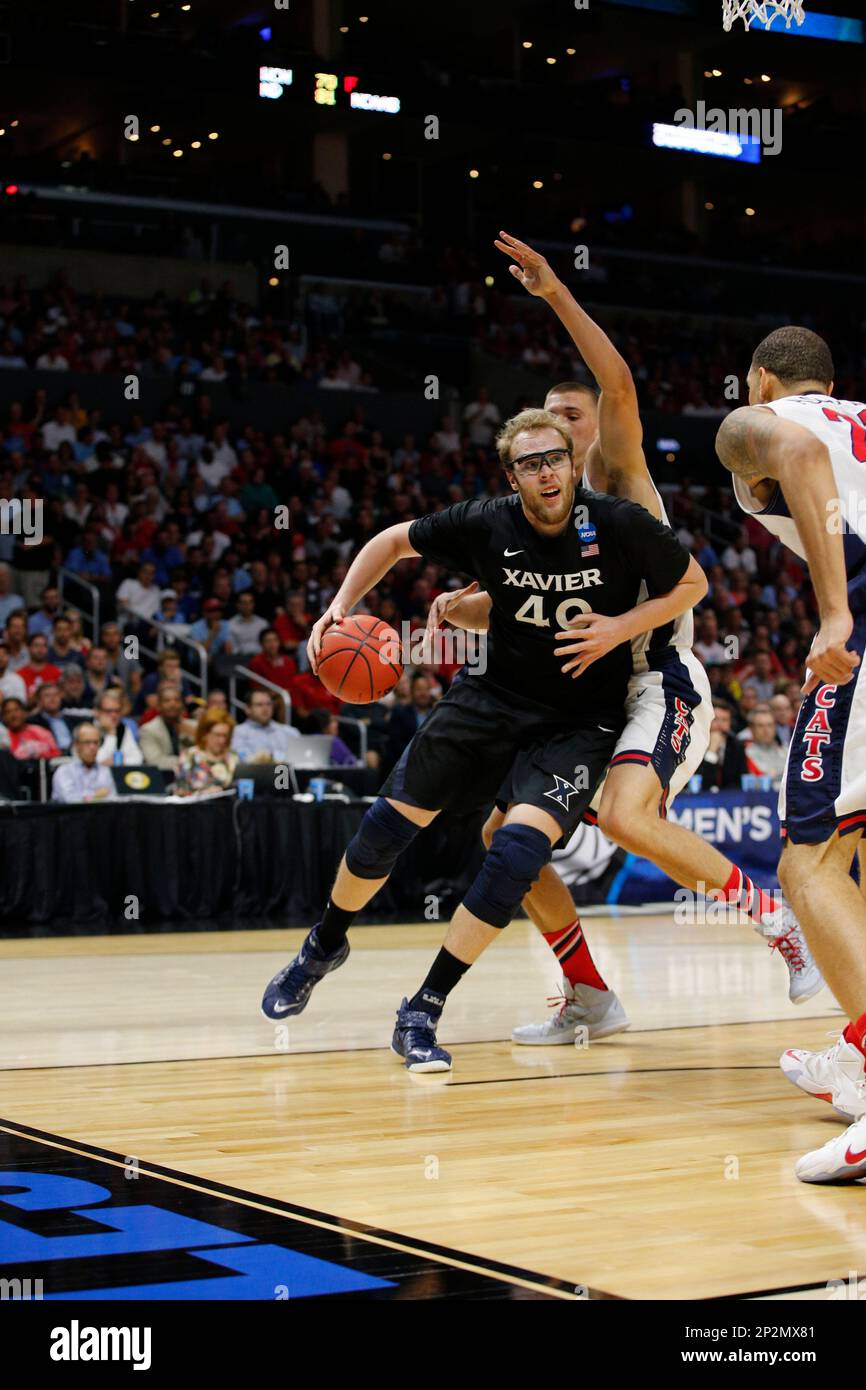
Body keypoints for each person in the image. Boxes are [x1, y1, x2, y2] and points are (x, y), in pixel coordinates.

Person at [438, 232, 818, 1046]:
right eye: (548, 418)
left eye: (572, 415)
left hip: (661, 678)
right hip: (593, 702)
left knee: (627, 818)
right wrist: (457, 609)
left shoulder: (622, 477)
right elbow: (514, 611)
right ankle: (588, 996)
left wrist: (553, 294)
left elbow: (614, 382)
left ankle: (775, 920)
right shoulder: (536, 524)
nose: (560, 427)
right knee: (503, 837)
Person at [261, 403, 706, 1073]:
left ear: (573, 462)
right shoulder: (483, 522)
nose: (546, 472)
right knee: (386, 828)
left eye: (555, 457)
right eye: (530, 464)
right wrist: (339, 606)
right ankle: (323, 944)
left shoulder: (616, 522)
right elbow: (390, 542)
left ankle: (424, 1008)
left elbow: (692, 583)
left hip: (580, 721)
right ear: (512, 474)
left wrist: (619, 628)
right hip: (491, 698)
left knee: (515, 853)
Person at [717, 324, 866, 1183]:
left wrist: (835, 613)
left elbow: (803, 459)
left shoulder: (752, 424)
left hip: (862, 636)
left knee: (810, 859)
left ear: (763, 379)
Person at [173, 708, 238, 794]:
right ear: (205, 734)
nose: (222, 741)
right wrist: (203, 794)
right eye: (217, 735)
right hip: (196, 806)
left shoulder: (233, 757)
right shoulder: (189, 756)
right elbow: (180, 792)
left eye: (225, 736)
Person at [51, 722, 116, 803]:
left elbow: (113, 799)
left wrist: (85, 797)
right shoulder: (64, 772)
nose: (92, 747)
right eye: (87, 742)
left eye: (96, 742)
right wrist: (96, 795)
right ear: (76, 745)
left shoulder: (106, 772)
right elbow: (70, 800)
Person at [231, 690, 300, 762]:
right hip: (256, 772)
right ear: (248, 709)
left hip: (286, 772)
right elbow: (244, 759)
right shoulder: (238, 732)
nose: (265, 708)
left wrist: (271, 756)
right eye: (259, 704)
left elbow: (300, 757)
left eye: (268, 704)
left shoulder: (289, 731)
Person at [138, 682, 194, 771]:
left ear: (182, 705)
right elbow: (155, 761)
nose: (173, 704)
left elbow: (208, 754)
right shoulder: (148, 730)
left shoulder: (194, 726)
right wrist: (190, 761)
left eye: (177, 700)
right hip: (163, 778)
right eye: (167, 701)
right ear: (158, 706)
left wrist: (196, 736)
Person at [697, 702, 748, 791]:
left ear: (730, 723)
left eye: (725, 720)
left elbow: (740, 781)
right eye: (715, 719)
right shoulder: (696, 745)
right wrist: (712, 750)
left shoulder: (737, 746)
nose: (720, 724)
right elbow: (699, 783)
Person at [94, 689, 142, 766]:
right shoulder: (89, 729)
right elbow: (96, 761)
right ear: (97, 712)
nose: (114, 715)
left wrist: (119, 762)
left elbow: (137, 758)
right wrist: (111, 734)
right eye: (108, 711)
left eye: (117, 711)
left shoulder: (123, 729)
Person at [742, 706, 788, 787]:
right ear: (752, 729)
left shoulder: (786, 752)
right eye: (760, 726)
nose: (766, 730)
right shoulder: (744, 753)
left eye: (769, 725)